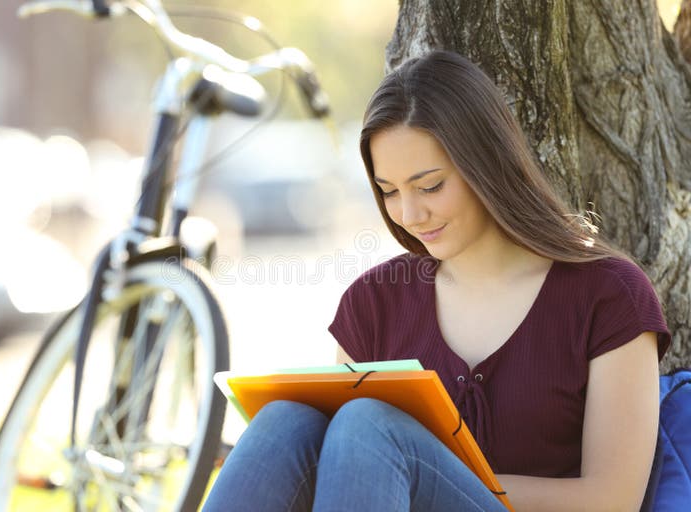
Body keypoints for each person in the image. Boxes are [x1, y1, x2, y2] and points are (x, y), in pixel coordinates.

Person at [202, 50, 670, 511]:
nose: (409, 215)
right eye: (388, 191)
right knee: (285, 421)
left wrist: (411, 469)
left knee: (369, 426)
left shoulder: (609, 295)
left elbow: (611, 500)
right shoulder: (373, 303)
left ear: (486, 163)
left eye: (429, 187)